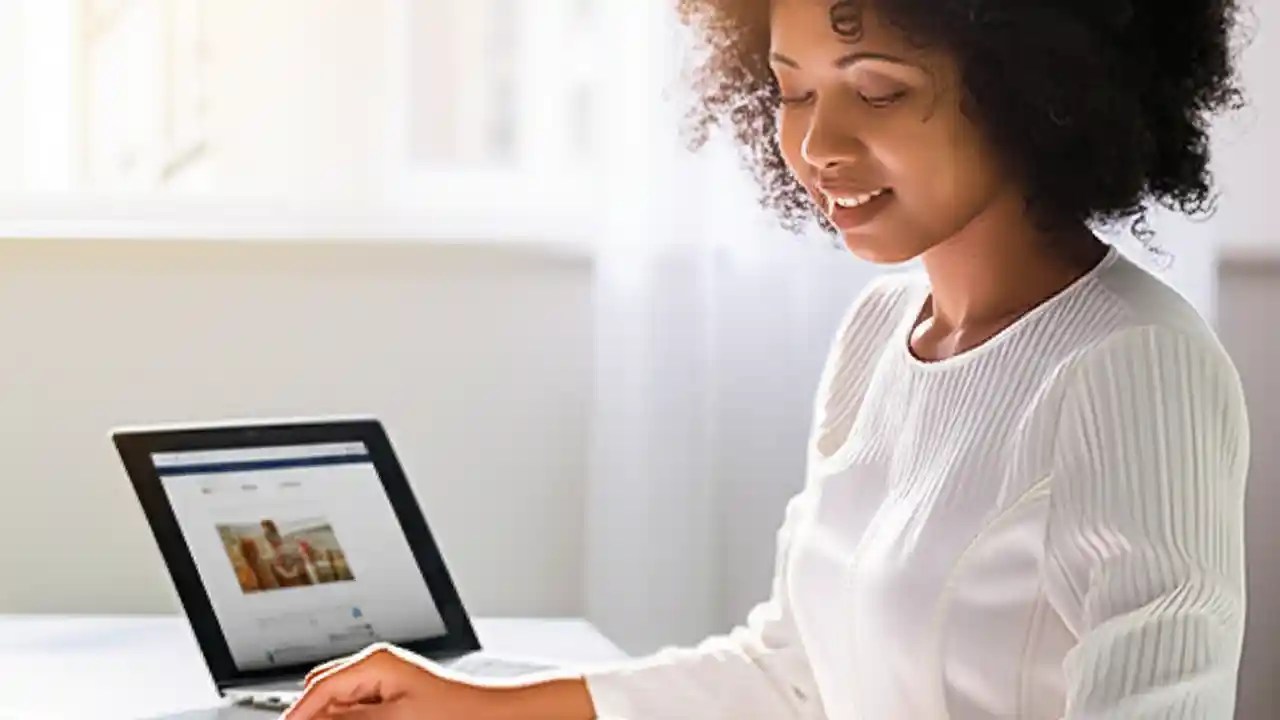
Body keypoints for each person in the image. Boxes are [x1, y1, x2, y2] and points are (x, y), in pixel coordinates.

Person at [284, 0, 1249, 717]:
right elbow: (792, 674)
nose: (818, 144)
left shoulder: (1135, 364)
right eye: (792, 91)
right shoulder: (880, 332)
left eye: (878, 90)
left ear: (1038, 90)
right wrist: (480, 705)